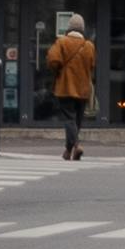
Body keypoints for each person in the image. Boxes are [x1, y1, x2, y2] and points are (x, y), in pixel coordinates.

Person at [45, 11, 96, 159]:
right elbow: (92, 65)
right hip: (83, 89)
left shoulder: (62, 42)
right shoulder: (89, 46)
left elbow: (52, 60)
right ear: (82, 28)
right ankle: (69, 151)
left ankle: (76, 146)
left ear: (69, 28)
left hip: (66, 87)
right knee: (77, 121)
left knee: (69, 119)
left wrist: (58, 71)